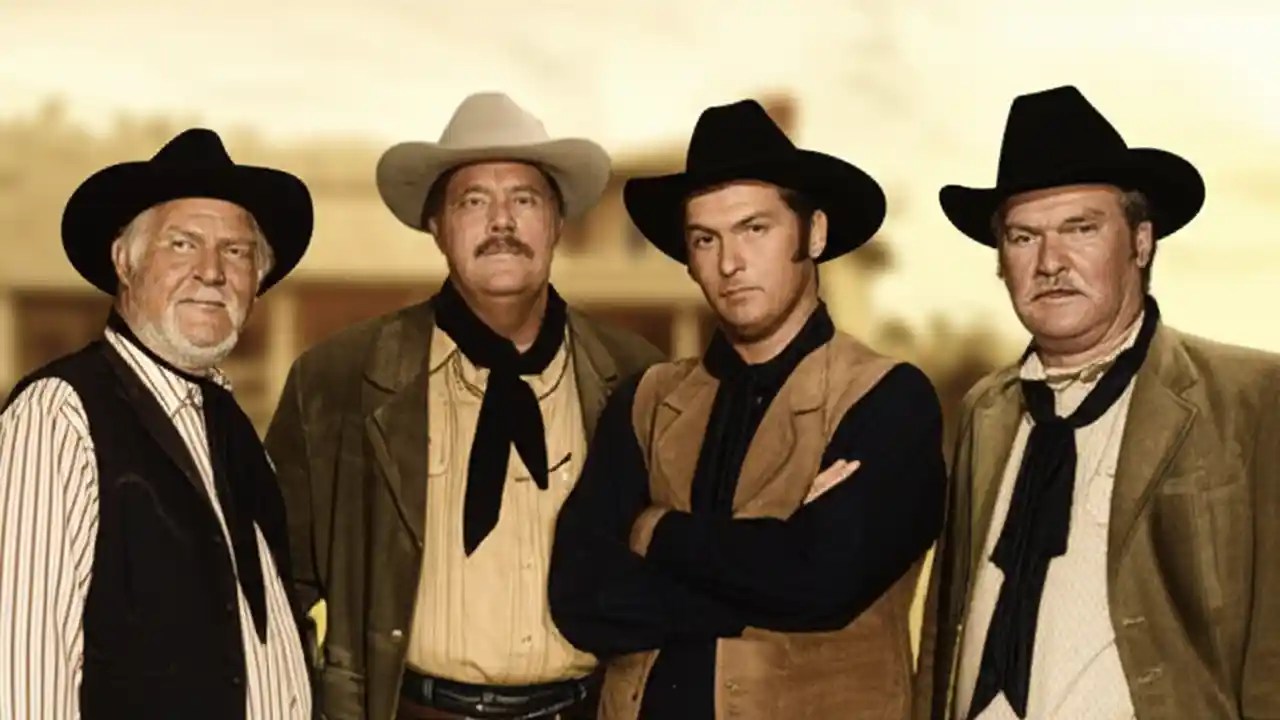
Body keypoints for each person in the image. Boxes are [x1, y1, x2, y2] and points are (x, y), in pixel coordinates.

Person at [263, 92, 664, 720]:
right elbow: (269, 586)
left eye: (524, 200)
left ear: (557, 223)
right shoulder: (337, 381)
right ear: (437, 227)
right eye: (473, 201)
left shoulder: (638, 379)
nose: (501, 221)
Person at [548, 98, 947, 719]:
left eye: (755, 229)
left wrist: (654, 530)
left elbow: (822, 584)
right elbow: (580, 596)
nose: (729, 263)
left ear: (813, 233)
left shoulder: (887, 399)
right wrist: (772, 569)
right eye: (705, 239)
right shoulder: (647, 400)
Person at [913, 85, 1280, 720]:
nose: (1050, 262)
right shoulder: (987, 411)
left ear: (1140, 242)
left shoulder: (1248, 398)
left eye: (1080, 229)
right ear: (1001, 260)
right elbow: (944, 628)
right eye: (1024, 237)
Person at [0, 128, 315, 719]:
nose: (212, 272)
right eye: (182, 244)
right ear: (125, 261)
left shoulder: (236, 433)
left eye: (237, 252)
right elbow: (24, 679)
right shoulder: (58, 417)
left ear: (257, 281)